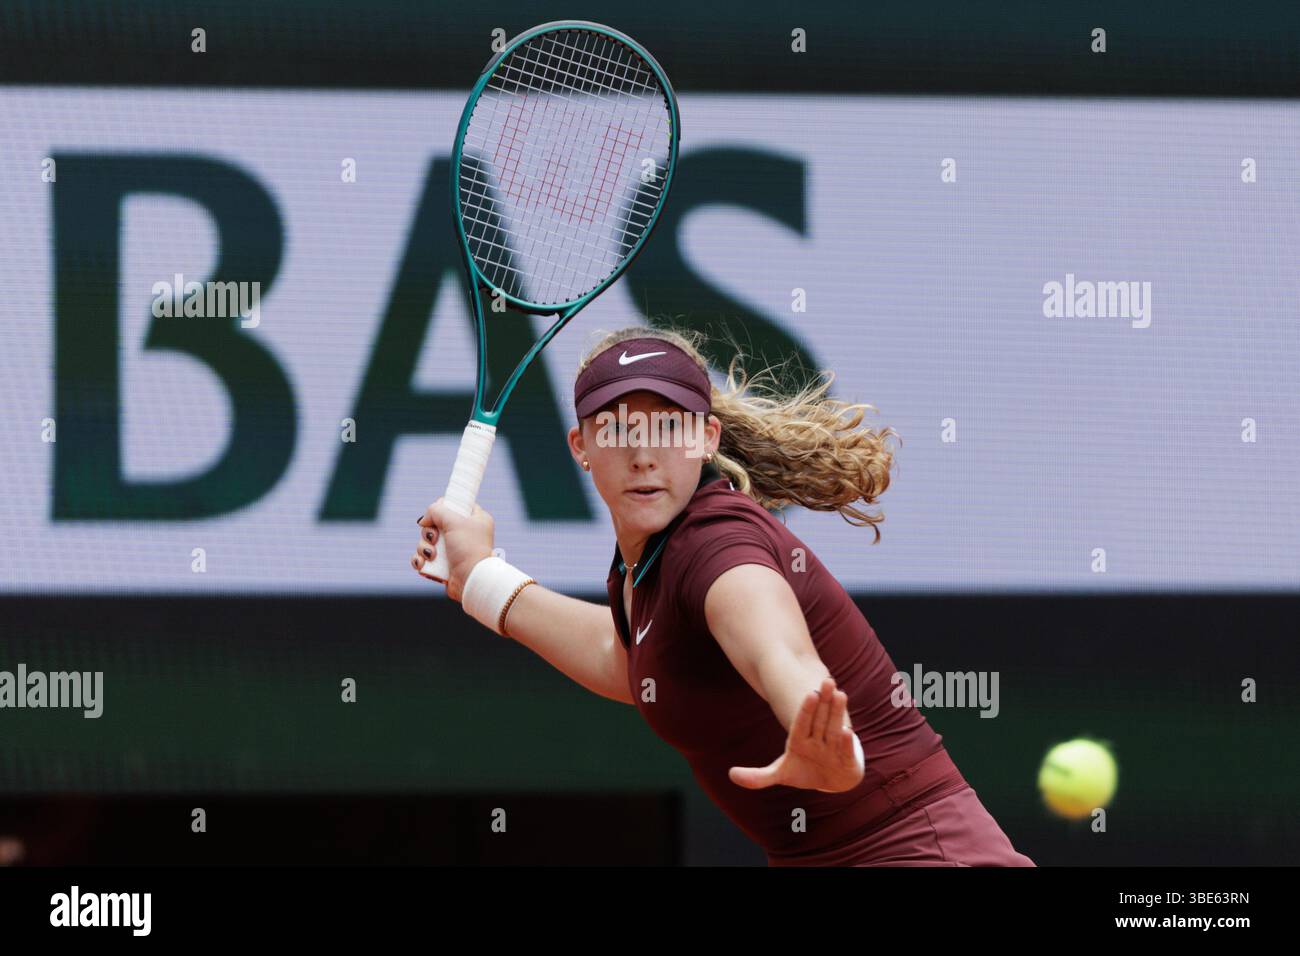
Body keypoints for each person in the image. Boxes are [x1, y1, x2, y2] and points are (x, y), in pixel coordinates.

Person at [413, 324, 1035, 866]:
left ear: (706, 438)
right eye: (618, 429)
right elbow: (632, 663)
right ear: (581, 447)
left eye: (668, 428)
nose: (642, 455)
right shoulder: (646, 561)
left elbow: (781, 655)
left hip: (915, 851)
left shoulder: (716, 546)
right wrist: (482, 579)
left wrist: (817, 732)